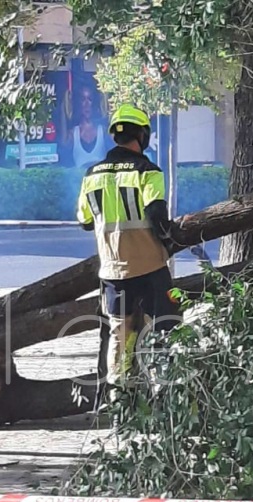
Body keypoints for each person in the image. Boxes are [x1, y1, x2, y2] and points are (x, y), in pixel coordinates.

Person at [76, 103, 181, 390]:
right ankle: (163, 390)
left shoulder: (92, 175)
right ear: (142, 135)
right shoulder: (149, 171)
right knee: (165, 326)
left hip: (111, 270)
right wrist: (171, 241)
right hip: (150, 267)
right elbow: (157, 215)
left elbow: (85, 220)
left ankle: (119, 395)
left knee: (119, 333)